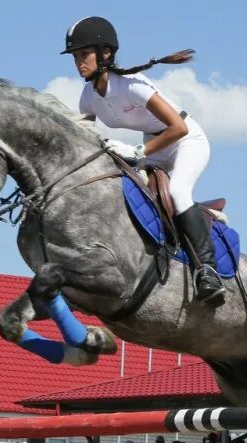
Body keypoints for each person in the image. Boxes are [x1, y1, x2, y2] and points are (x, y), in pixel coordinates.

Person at [62, 16, 225, 304]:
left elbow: (179, 128)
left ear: (106, 53)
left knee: (177, 192)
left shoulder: (131, 85)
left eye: (84, 54)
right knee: (127, 192)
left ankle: (207, 270)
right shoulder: (88, 97)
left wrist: (139, 153)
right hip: (153, 143)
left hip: (186, 140)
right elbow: (83, 141)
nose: (79, 62)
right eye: (75, 56)